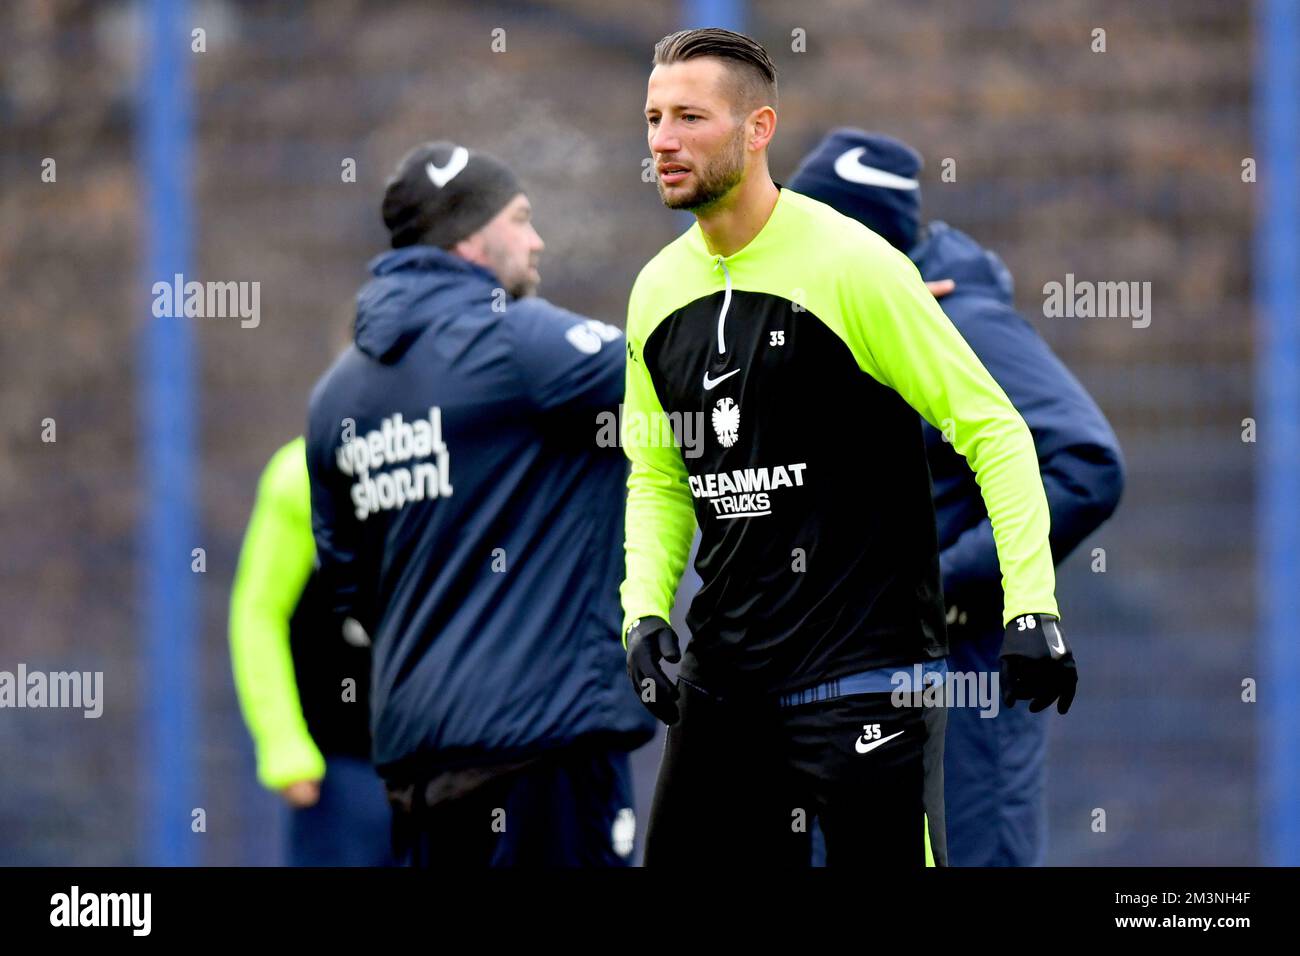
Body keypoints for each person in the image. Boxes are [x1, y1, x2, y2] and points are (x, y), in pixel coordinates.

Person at [621, 28, 1076, 868]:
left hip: (865, 686)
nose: (663, 141)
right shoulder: (655, 291)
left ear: (759, 129)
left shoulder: (855, 266)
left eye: (690, 117)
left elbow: (996, 431)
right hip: (723, 693)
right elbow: (657, 475)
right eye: (653, 118)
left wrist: (1031, 606)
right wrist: (643, 610)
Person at [306, 141, 656, 867]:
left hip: (417, 767)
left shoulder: (336, 397)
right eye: (521, 219)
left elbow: (351, 590)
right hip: (544, 754)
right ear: (471, 236)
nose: (536, 240)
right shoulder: (519, 342)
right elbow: (682, 375)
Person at [788, 128, 1125, 866]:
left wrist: (940, 582)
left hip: (966, 686)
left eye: (814, 224)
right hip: (862, 687)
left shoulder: (964, 320)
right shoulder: (852, 326)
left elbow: (1087, 466)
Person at [229, 436, 392, 866]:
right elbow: (259, 613)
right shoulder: (301, 474)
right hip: (340, 772)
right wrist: (283, 743)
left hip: (444, 771)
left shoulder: (458, 457)